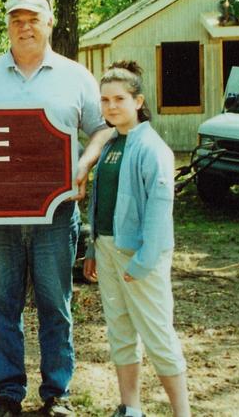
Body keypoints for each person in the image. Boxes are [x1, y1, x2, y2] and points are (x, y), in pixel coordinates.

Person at [0, 0, 114, 417]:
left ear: (49, 23)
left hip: (57, 213)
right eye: (16, 19)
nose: (24, 26)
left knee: (54, 304)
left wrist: (85, 163)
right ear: (7, 25)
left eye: (33, 19)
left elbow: (101, 129)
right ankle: (8, 391)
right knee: (0, 304)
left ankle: (57, 393)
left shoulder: (75, 75)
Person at [83, 62, 191, 417]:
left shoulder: (152, 148)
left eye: (119, 99)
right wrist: (92, 248)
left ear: (138, 100)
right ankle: (131, 407)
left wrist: (144, 261)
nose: (111, 106)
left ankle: (182, 412)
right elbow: (101, 203)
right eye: (105, 100)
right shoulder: (112, 143)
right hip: (107, 248)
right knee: (120, 330)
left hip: (140, 255)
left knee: (157, 333)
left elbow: (160, 211)